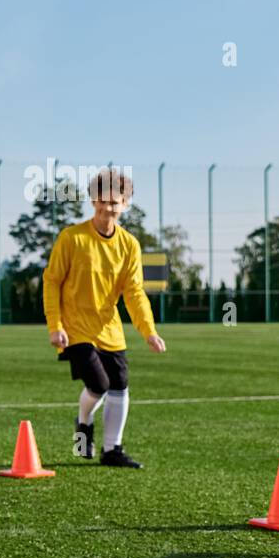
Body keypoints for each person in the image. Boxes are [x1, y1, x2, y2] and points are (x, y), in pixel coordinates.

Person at [43, 167, 166, 469]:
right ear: (92, 199)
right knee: (98, 384)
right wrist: (55, 326)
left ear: (125, 204)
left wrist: (148, 331)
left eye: (114, 201)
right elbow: (52, 281)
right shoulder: (71, 238)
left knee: (120, 384)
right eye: (102, 199)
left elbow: (134, 293)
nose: (107, 207)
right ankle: (83, 423)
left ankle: (113, 451)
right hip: (75, 328)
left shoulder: (129, 245)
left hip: (109, 328)